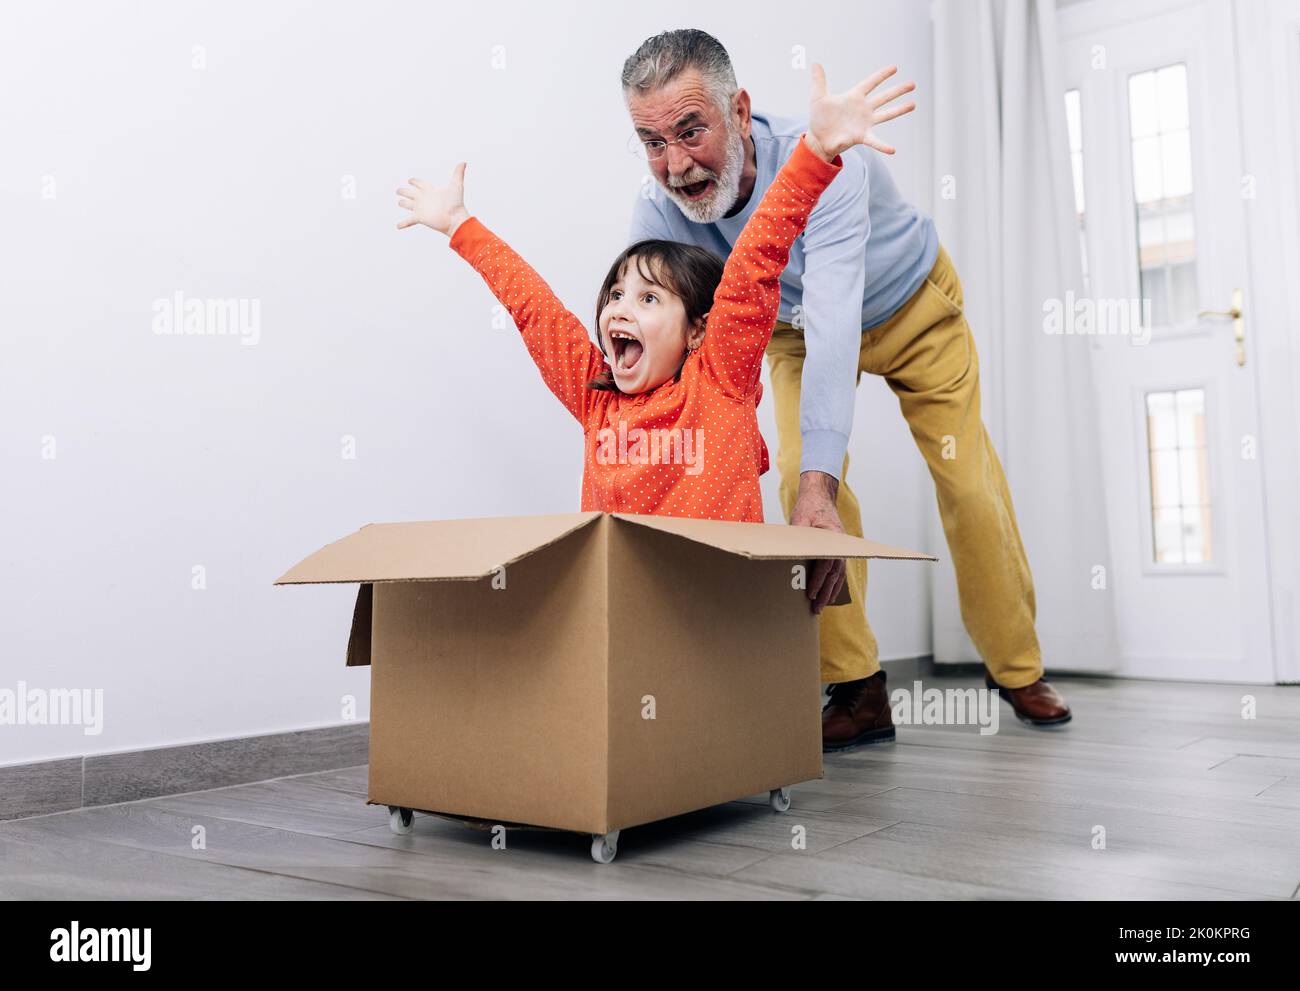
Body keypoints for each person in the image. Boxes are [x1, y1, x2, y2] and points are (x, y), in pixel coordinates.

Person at [622, 29, 1072, 749]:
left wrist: (819, 491)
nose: (675, 165)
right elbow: (659, 339)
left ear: (739, 112)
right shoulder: (658, 212)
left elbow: (837, 309)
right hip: (795, 332)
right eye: (651, 141)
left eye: (690, 131)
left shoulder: (827, 158)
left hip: (911, 304)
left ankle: (1018, 667)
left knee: (966, 481)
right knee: (800, 480)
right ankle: (858, 686)